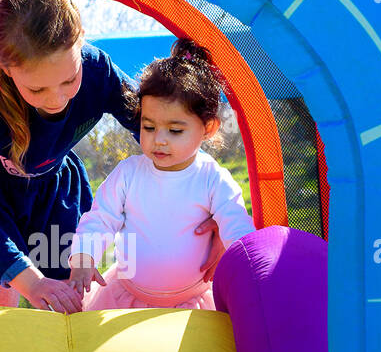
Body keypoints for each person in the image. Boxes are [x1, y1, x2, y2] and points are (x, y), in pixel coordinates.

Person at [0, 0, 223, 313]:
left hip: (46, 175)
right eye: (37, 90)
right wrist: (32, 282)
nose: (57, 99)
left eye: (69, 80)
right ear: (8, 70)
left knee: (71, 285)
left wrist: (209, 207)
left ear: (80, 43)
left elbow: (166, 130)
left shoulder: (98, 71)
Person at [67, 38, 256, 311]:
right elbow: (99, 219)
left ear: (209, 128)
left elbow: (237, 227)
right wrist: (84, 258)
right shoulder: (129, 174)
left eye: (175, 130)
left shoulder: (212, 178)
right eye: (149, 127)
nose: (160, 140)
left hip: (192, 301)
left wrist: (246, 268)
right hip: (128, 297)